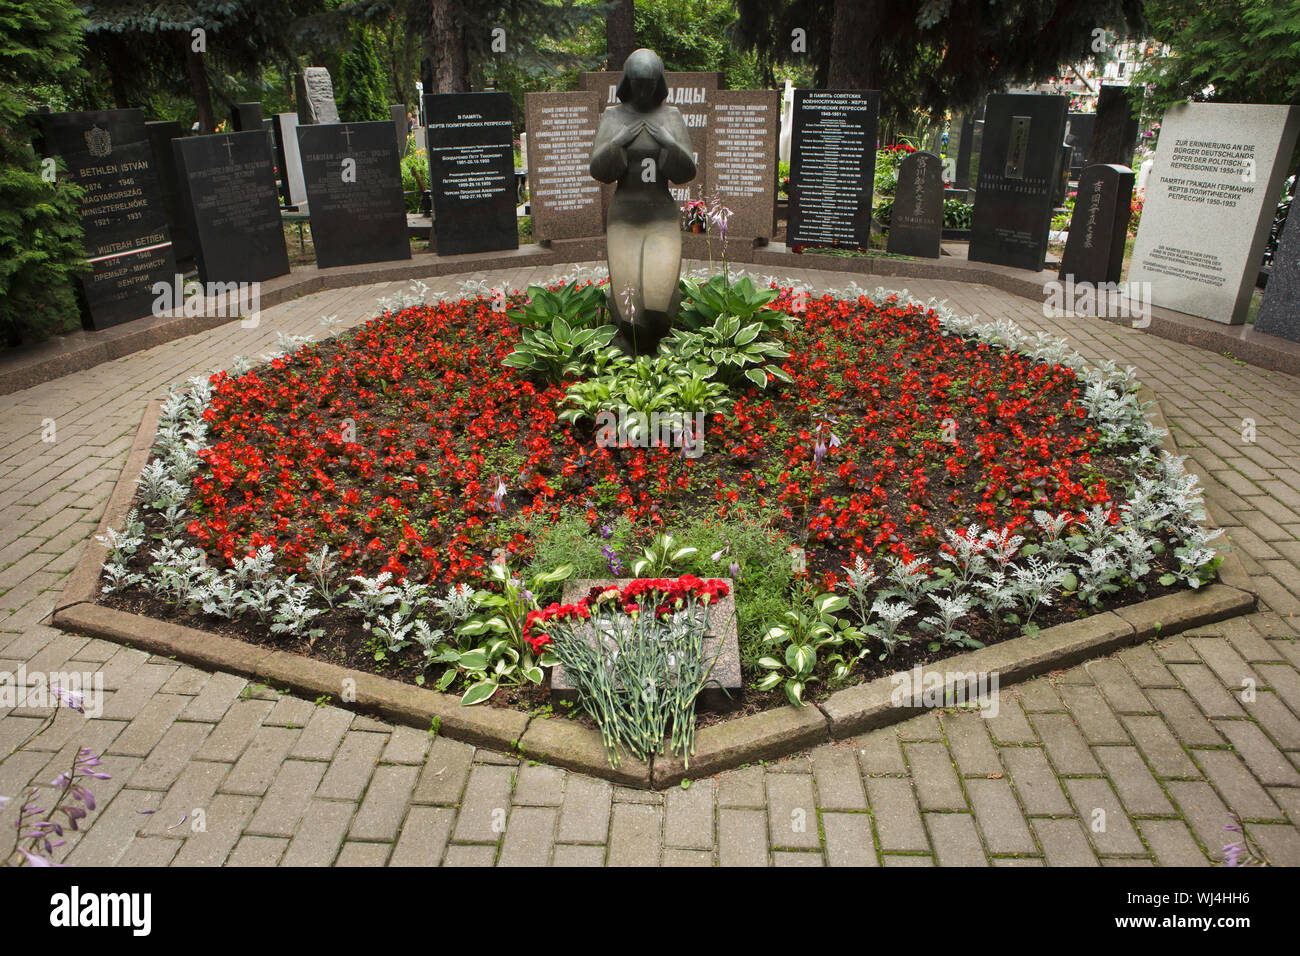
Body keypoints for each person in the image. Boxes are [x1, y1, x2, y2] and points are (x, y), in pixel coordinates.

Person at [589, 48, 696, 354]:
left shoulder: (671, 116)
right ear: (628, 82)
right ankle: (629, 340)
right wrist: (617, 142)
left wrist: (670, 144)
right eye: (638, 84)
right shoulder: (613, 116)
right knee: (630, 312)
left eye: (649, 85)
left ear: (658, 83)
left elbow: (686, 172)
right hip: (625, 216)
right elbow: (599, 170)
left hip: (661, 216)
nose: (643, 91)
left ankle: (659, 338)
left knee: (657, 306)